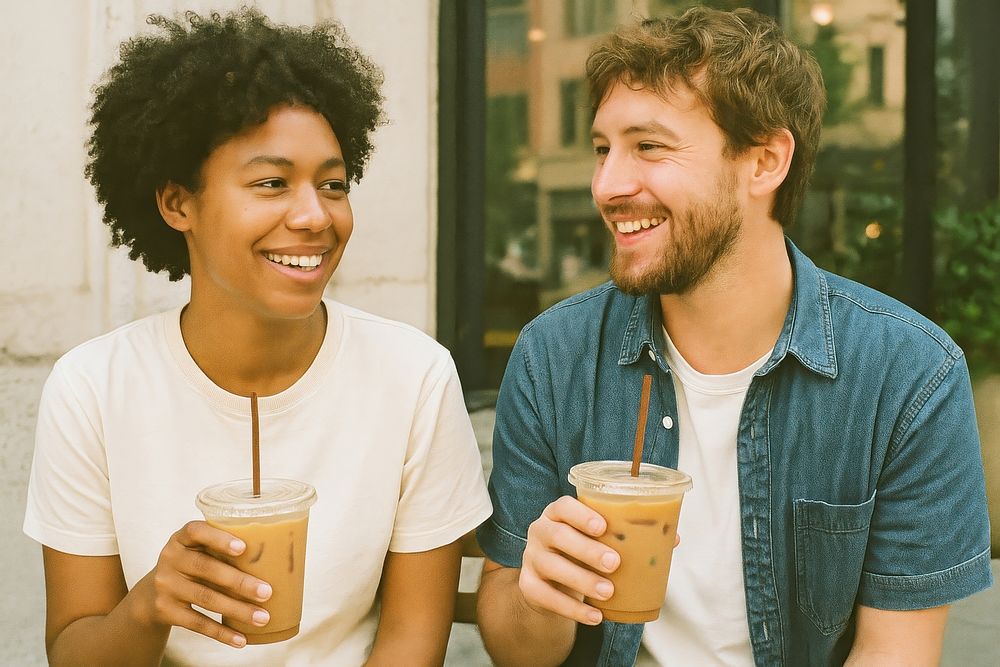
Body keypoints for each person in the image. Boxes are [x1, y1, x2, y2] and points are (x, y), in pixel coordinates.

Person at [475, 6, 992, 666]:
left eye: (650, 146)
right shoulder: (554, 355)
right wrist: (538, 593)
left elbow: (895, 652)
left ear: (764, 161)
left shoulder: (910, 378)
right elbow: (517, 648)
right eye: (603, 149)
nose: (607, 184)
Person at [22, 9, 491, 667]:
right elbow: (73, 649)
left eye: (333, 184)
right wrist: (150, 602)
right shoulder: (93, 389)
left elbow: (412, 643)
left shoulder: (413, 377)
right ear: (177, 203)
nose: (314, 215)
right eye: (272, 183)